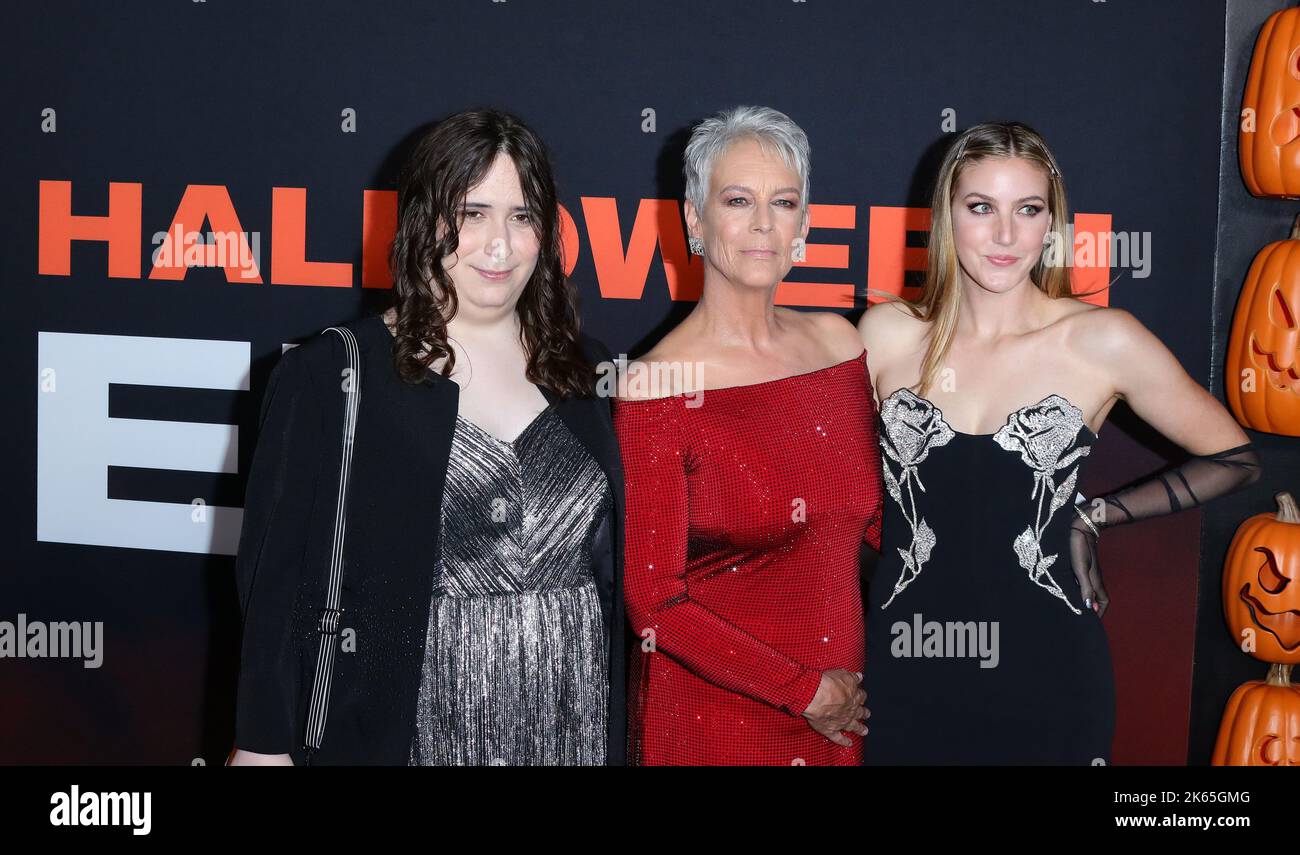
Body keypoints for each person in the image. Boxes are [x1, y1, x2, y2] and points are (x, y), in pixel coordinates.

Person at [228, 108, 627, 765]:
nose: (500, 244)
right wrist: (262, 745)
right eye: (472, 213)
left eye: (522, 216)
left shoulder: (588, 369)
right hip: (406, 732)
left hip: (573, 722)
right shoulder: (334, 374)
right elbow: (276, 583)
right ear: (424, 220)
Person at [857, 121, 1263, 764]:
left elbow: (1235, 458)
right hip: (902, 666)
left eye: (1028, 209)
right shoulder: (886, 334)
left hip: (1047, 671)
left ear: (1051, 222)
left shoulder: (1101, 341)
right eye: (981, 207)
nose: (1005, 235)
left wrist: (1092, 515)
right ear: (945, 215)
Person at [614, 105, 882, 765]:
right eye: (738, 200)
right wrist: (803, 692)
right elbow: (653, 601)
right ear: (694, 220)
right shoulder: (656, 386)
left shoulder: (840, 346)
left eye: (783, 202)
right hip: (715, 723)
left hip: (841, 717)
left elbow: (876, 527)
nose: (764, 223)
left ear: (804, 224)